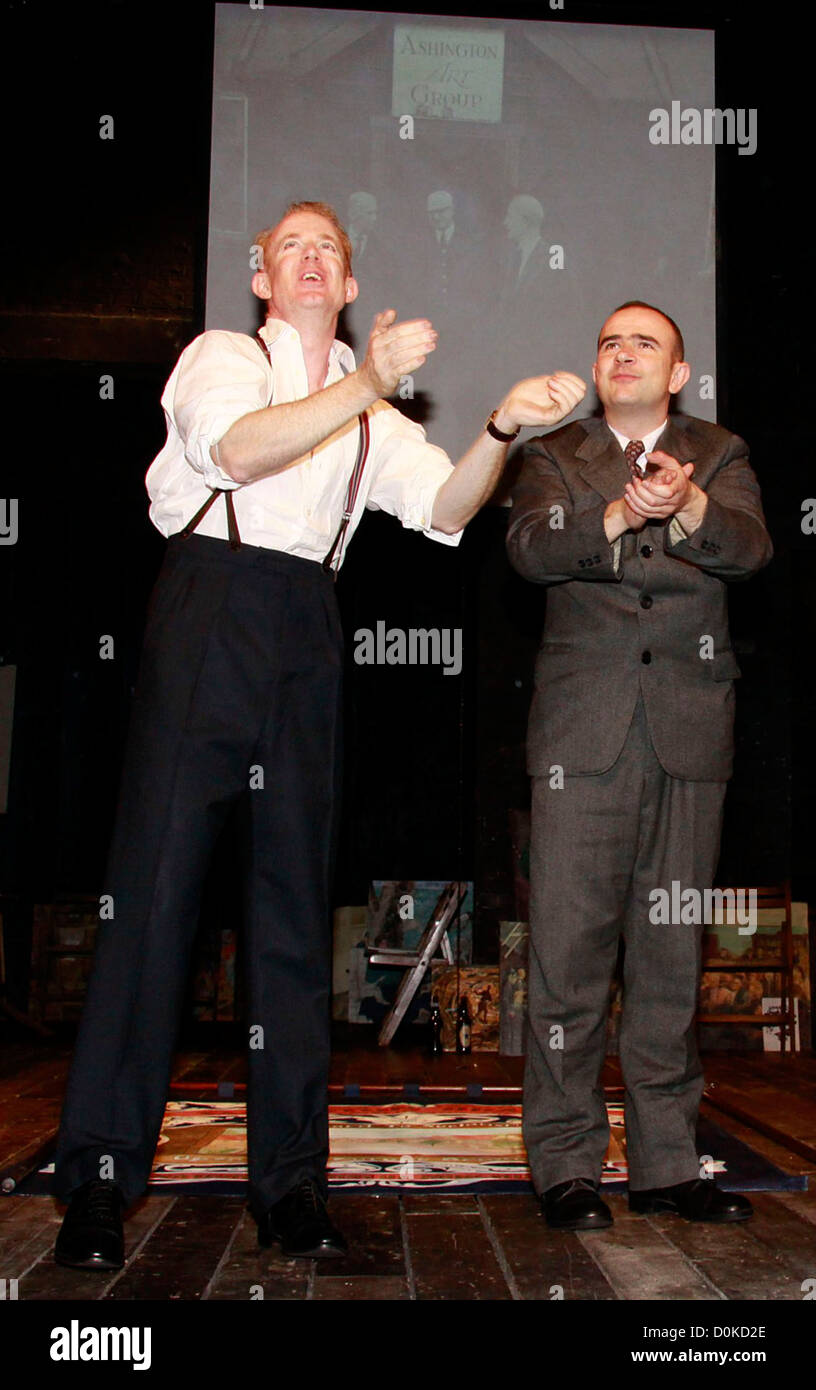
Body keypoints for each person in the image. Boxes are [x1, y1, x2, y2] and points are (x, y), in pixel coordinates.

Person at [52, 200, 586, 1268]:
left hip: (304, 627)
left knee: (292, 912)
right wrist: (365, 383)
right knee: (154, 901)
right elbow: (237, 451)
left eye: (326, 249)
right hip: (208, 609)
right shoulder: (223, 357)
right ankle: (101, 1181)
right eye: (288, 246)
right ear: (263, 278)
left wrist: (497, 429)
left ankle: (291, 1187)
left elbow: (443, 506)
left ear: (346, 285)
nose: (307, 259)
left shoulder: (373, 412)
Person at [506, 301, 772, 1231]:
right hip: (583, 738)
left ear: (677, 373)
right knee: (569, 961)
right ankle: (566, 1165)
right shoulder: (554, 452)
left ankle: (666, 1164)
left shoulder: (723, 452)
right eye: (610, 343)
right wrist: (621, 511)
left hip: (691, 736)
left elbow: (750, 550)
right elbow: (532, 552)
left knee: (668, 962)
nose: (622, 354)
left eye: (643, 344)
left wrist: (687, 503)